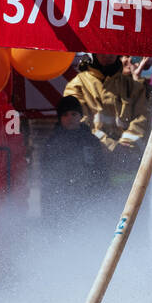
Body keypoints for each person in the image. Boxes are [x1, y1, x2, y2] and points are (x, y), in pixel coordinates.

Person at [62, 53, 152, 189]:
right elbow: (78, 122)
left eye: (112, 49)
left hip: (127, 166)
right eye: (103, 49)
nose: (108, 54)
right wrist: (109, 146)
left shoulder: (132, 86)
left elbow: (142, 118)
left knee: (130, 205)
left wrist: (126, 145)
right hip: (92, 164)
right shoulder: (77, 85)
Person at [39, 95, 105, 223]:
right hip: (62, 201)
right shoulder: (52, 144)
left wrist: (102, 195)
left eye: (74, 114)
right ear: (60, 118)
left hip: (88, 199)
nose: (70, 118)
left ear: (80, 116)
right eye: (65, 115)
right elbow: (46, 178)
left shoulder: (91, 141)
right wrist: (48, 210)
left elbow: (101, 170)